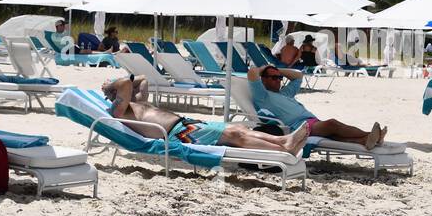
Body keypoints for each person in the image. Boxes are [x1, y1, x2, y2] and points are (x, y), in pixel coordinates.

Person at [103, 75, 308, 154]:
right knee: (235, 136)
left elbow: (143, 80)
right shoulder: (117, 110)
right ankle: (284, 150)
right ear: (116, 93)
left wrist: (118, 84)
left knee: (238, 128)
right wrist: (110, 85)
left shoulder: (135, 103)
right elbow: (126, 83)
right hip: (178, 135)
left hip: (185, 125)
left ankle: (282, 140)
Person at [249, 66, 385, 148]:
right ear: (264, 79)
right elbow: (252, 72)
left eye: (279, 78)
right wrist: (264, 68)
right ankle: (372, 135)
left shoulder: (285, 93)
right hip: (299, 126)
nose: (278, 80)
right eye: (274, 78)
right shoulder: (262, 96)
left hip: (311, 121)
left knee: (333, 134)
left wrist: (277, 70)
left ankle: (365, 140)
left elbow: (298, 76)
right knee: (332, 124)